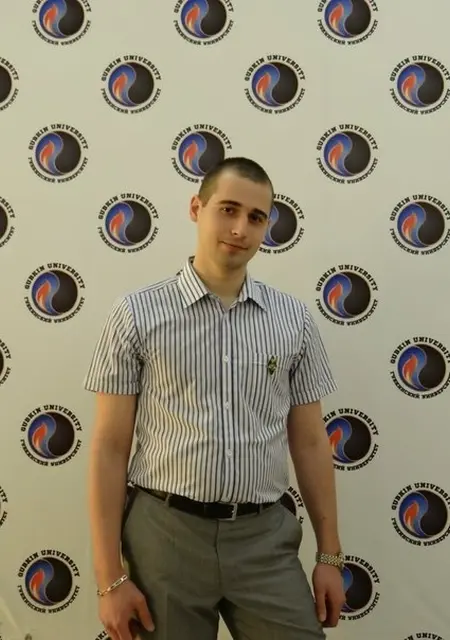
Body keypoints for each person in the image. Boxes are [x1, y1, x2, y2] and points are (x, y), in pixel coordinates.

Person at [84, 157, 346, 640]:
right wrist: (109, 579)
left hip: (265, 540)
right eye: (228, 209)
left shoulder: (293, 320)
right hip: (164, 538)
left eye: (256, 217)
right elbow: (109, 448)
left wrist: (330, 555)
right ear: (196, 208)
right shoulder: (136, 315)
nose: (240, 228)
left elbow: (311, 442)